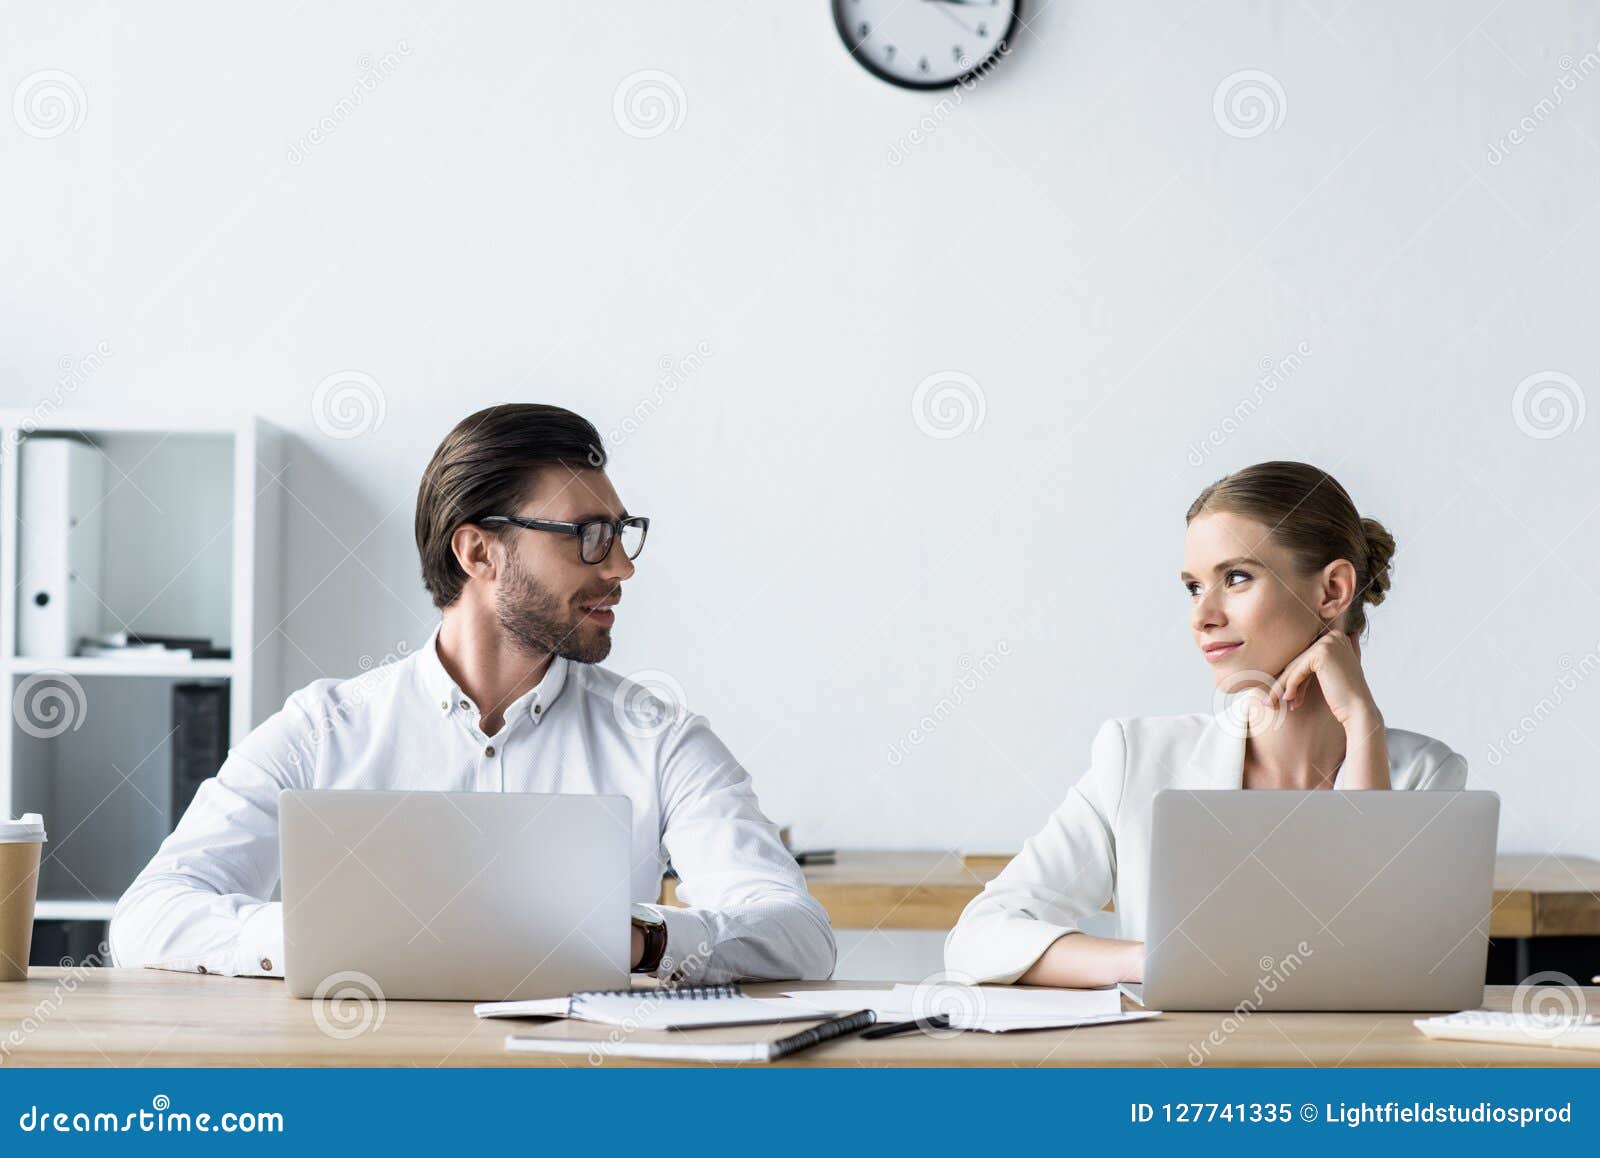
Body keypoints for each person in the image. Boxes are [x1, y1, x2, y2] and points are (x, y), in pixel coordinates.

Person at [110, 403, 835, 984]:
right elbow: (148, 916)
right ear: (479, 550)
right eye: (587, 536)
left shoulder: (660, 738)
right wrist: (314, 934)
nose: (620, 567)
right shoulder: (322, 732)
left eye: (621, 534)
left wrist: (640, 939)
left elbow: (797, 935)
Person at [944, 461, 1467, 988]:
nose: (1202, 616)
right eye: (1194, 587)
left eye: (1236, 578)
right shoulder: (1136, 759)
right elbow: (978, 939)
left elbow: (1388, 969)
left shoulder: (1425, 776)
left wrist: (1362, 723)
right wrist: (1156, 961)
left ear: (1332, 590)